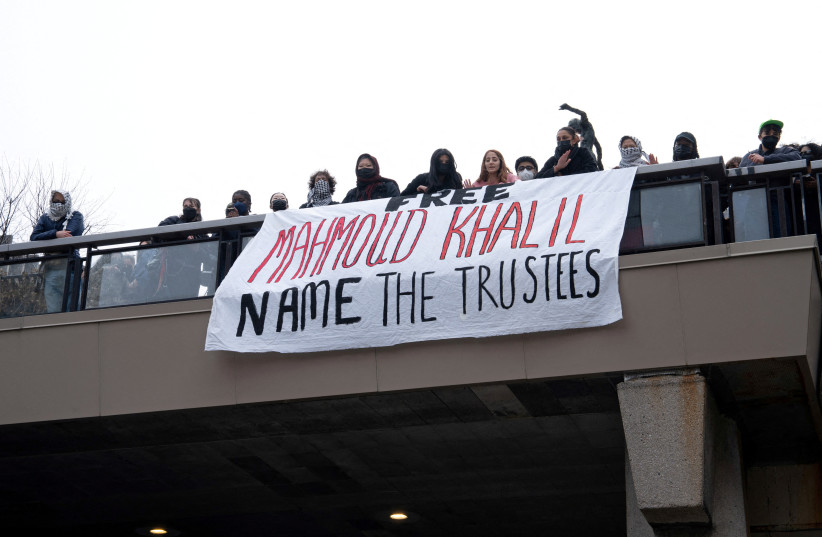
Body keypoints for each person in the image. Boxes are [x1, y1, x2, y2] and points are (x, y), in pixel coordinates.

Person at [30, 189, 85, 313]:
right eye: (55, 201)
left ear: (67, 201)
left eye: (61, 201)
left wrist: (49, 237)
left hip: (70, 268)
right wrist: (56, 233)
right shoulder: (45, 217)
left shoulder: (76, 216)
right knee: (53, 311)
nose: (58, 204)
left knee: (72, 310)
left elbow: (69, 235)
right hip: (51, 270)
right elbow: (34, 237)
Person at [156, 198, 207, 300]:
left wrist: (196, 249)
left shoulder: (202, 231)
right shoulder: (174, 220)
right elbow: (160, 230)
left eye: (191, 206)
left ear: (198, 210)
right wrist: (184, 236)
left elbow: (208, 256)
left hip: (191, 276)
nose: (188, 208)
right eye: (185, 206)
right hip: (171, 273)